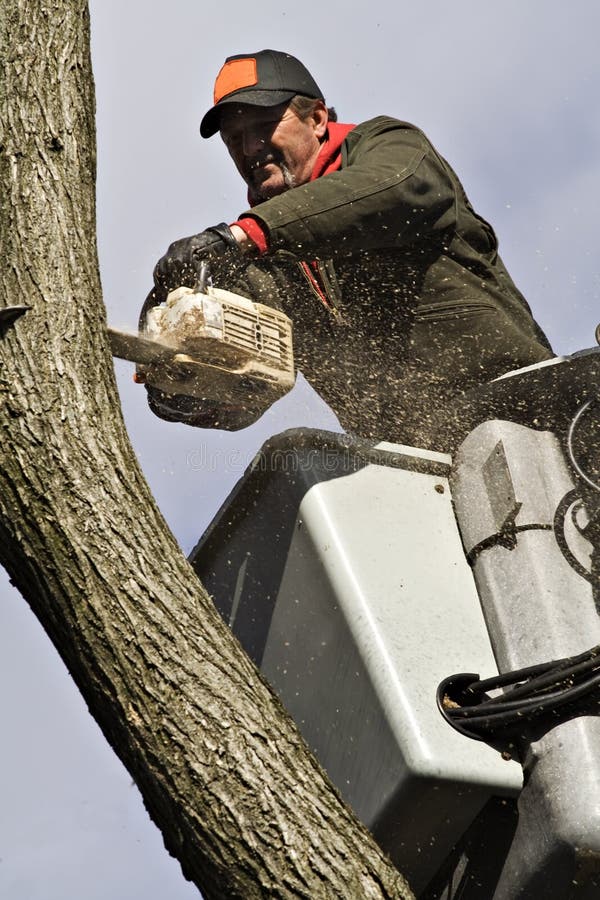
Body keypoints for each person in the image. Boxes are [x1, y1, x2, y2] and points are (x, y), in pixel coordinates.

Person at [144, 49, 553, 448]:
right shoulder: (261, 266)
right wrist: (180, 380)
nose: (250, 148)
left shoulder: (388, 147)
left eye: (265, 126)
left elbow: (398, 189)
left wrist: (242, 236)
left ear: (318, 119)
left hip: (524, 412)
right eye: (235, 139)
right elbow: (250, 387)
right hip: (411, 464)